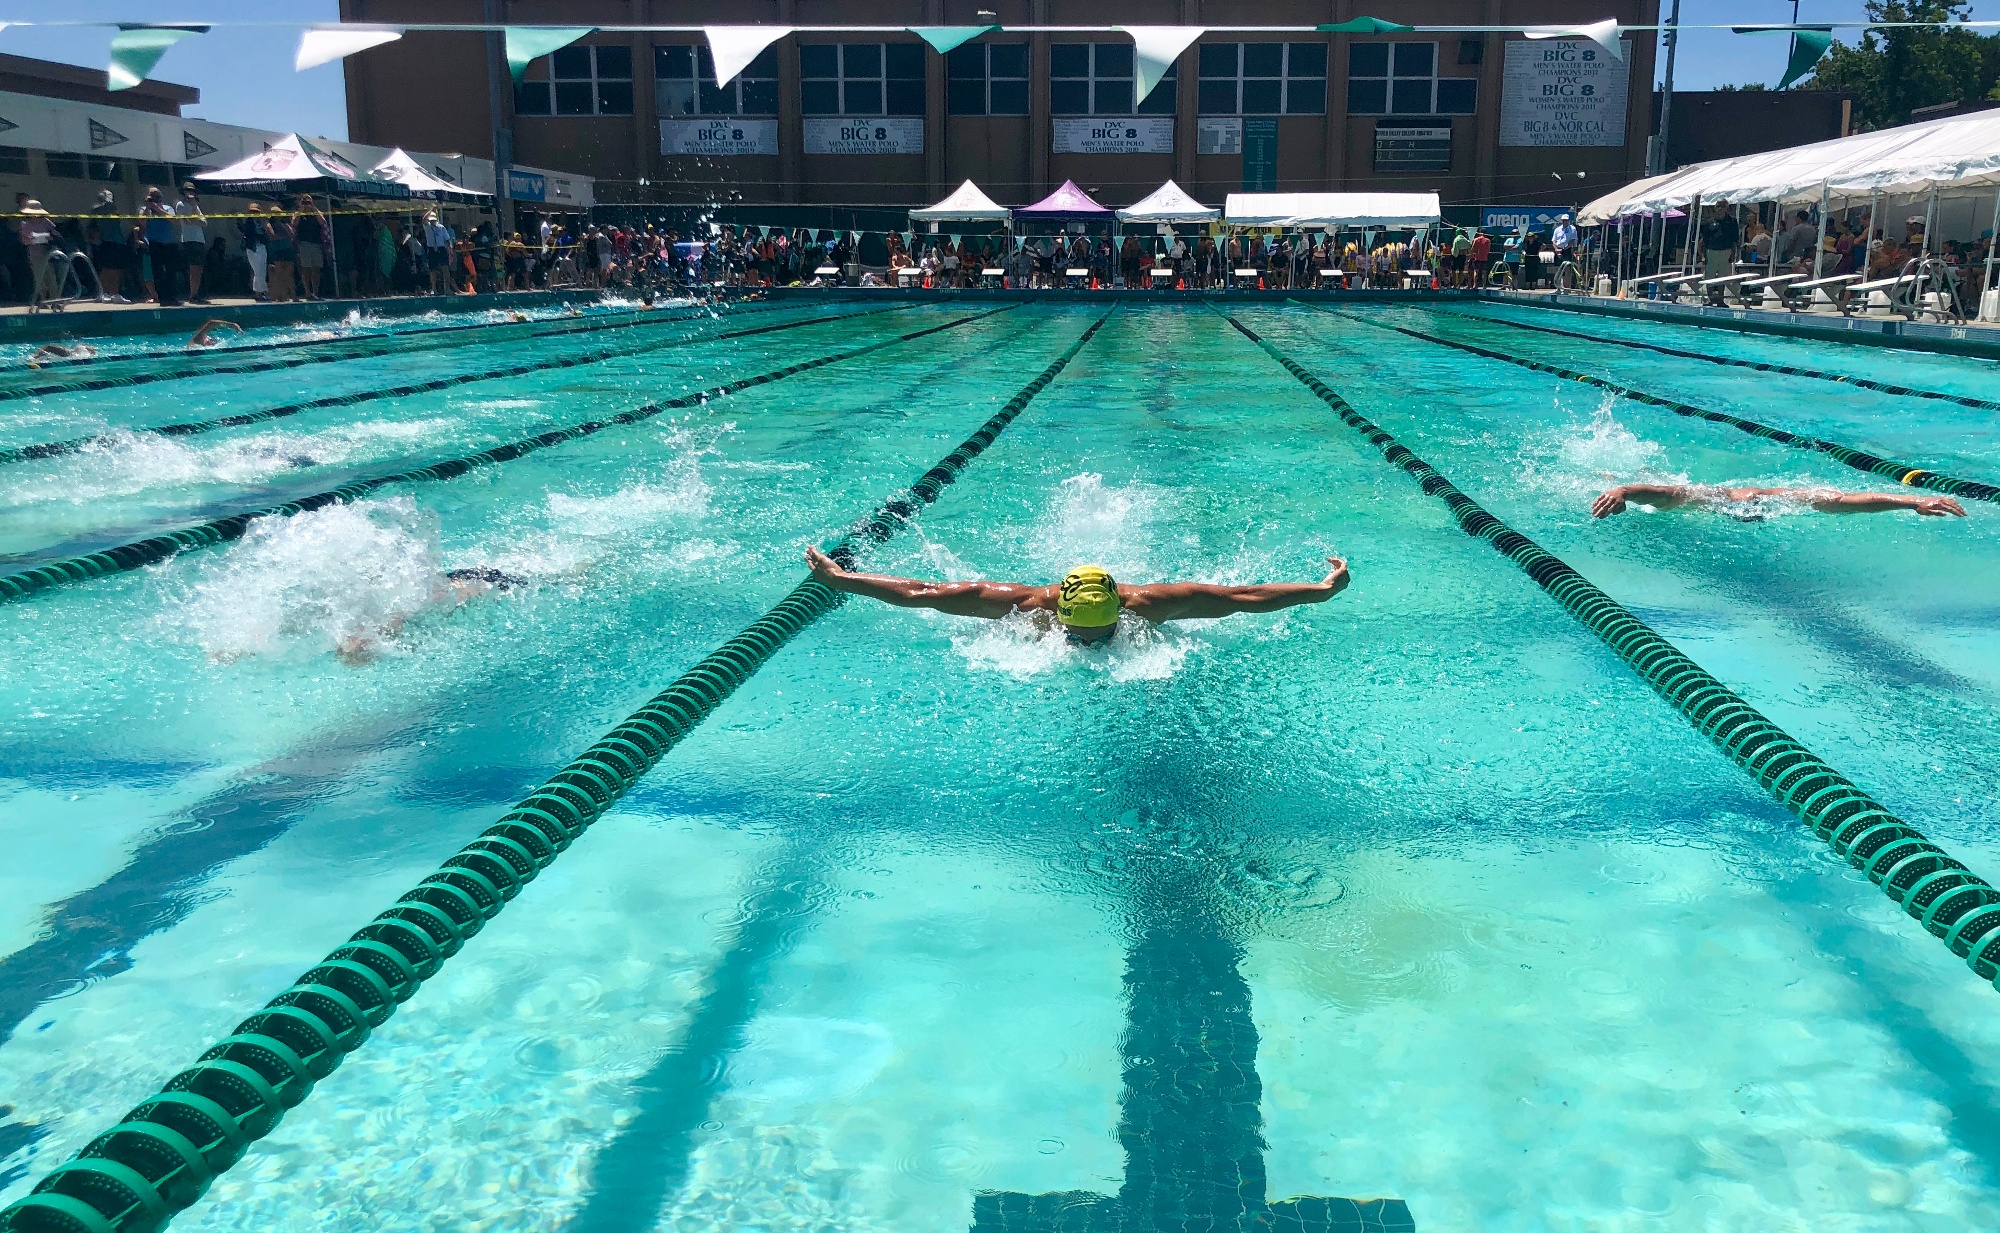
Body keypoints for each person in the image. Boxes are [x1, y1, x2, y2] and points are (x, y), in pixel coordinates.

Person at [804, 547, 1350, 645]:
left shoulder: (1151, 604)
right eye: (1080, 634)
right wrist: (842, 580)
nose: (1089, 643)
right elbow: (923, 591)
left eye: (1102, 634)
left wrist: (1320, 591)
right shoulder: (1022, 606)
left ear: (1123, 613)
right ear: (1056, 614)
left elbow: (1241, 596)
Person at [1592, 483, 1966, 520]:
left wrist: (1912, 500)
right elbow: (1664, 494)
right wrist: (1622, 491)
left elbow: (1843, 500)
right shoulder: (1712, 499)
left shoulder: (1776, 500)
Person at [18, 199, 59, 309]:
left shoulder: (46, 222)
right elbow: (24, 240)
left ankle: (55, 300)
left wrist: (48, 237)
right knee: (39, 278)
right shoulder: (24, 224)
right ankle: (43, 300)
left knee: (51, 277)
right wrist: (32, 239)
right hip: (34, 254)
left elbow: (55, 234)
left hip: (47, 253)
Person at [176, 183, 210, 304]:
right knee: (193, 267)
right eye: (188, 191)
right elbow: (187, 221)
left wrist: (194, 205)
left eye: (192, 191)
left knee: (199, 268)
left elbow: (204, 223)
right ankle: (192, 294)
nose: (190, 193)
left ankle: (196, 293)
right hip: (189, 239)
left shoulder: (195, 206)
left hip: (199, 239)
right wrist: (196, 219)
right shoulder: (181, 205)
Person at [292, 194, 329, 299]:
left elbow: (323, 222)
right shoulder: (297, 214)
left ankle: (315, 292)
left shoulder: (316, 213)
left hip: (316, 243)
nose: (306, 204)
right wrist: (301, 209)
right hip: (304, 243)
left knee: (316, 269)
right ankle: (307, 291)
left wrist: (313, 208)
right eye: (304, 202)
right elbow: (294, 223)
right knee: (306, 269)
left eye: (308, 202)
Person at [28, 342, 95, 367]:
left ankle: (35, 357)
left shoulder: (82, 352)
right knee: (49, 349)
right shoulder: (74, 353)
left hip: (71, 355)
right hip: (71, 354)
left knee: (49, 351)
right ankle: (35, 357)